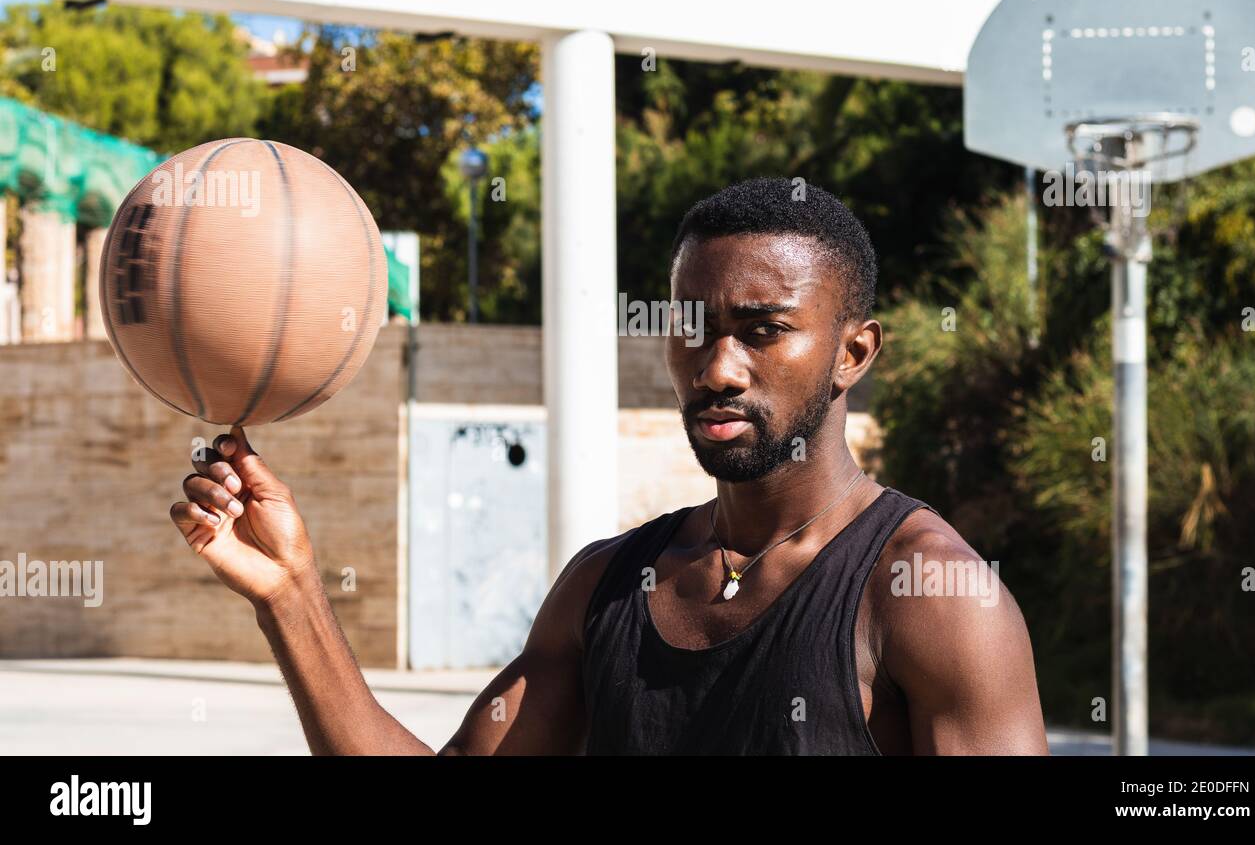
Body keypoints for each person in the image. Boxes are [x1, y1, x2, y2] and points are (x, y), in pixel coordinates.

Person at [169, 177, 1049, 755]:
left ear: (854, 352)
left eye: (763, 329)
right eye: (692, 327)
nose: (717, 366)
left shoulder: (931, 598)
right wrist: (291, 594)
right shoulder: (608, 584)